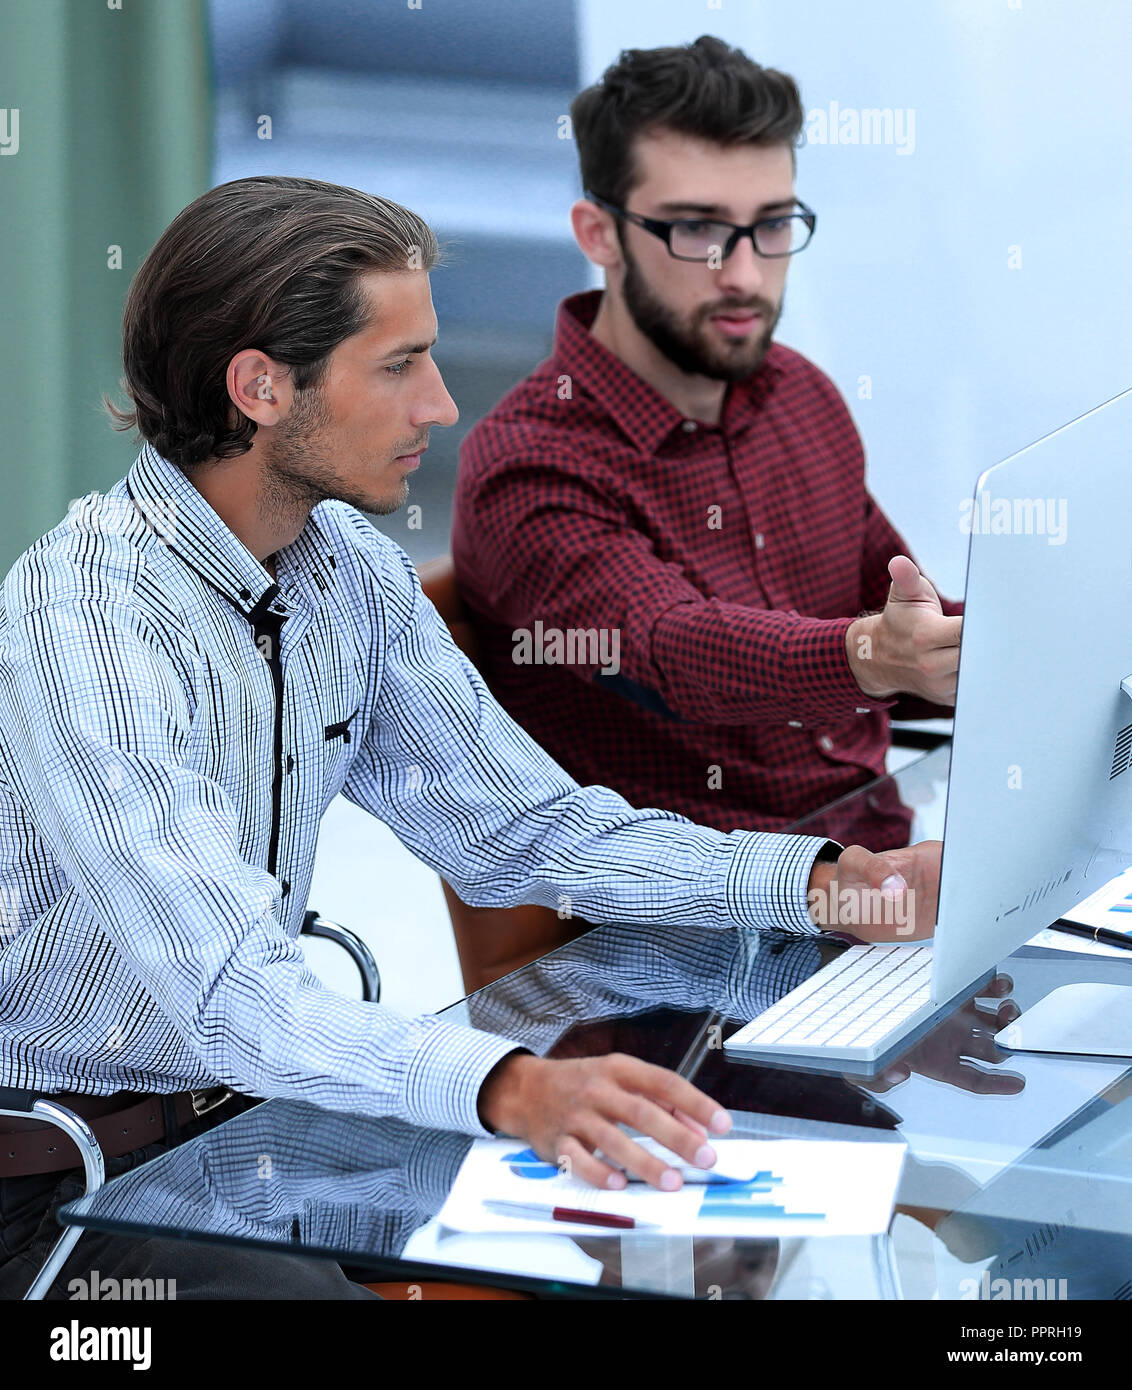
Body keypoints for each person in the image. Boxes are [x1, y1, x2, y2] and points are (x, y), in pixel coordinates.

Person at [0, 175, 940, 1298]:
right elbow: (229, 996)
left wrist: (830, 880)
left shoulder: (347, 575)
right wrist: (508, 1083)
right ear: (258, 387)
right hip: (57, 1188)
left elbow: (532, 834)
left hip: (260, 1125)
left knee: (676, 1237)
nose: (441, 404)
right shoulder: (84, 622)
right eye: (398, 365)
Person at [452, 35, 963, 845]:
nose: (747, 275)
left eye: (772, 225)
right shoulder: (528, 467)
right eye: (697, 230)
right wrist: (873, 655)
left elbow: (907, 627)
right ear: (600, 235)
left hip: (880, 867)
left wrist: (1048, 633)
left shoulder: (798, 393)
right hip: (683, 933)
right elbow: (671, 650)